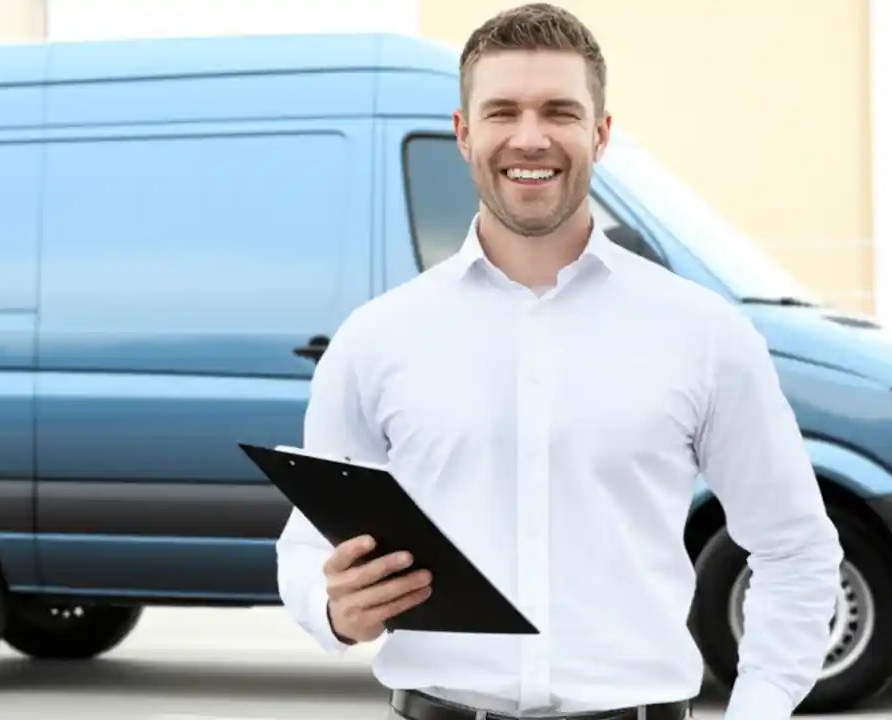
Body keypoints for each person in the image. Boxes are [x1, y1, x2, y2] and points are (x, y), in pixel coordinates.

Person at [273, 3, 845, 720]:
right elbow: (303, 547)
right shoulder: (377, 339)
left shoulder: (702, 333)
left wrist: (759, 707)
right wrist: (333, 609)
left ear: (600, 134)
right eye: (503, 111)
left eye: (560, 112)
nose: (530, 137)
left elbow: (795, 547)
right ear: (463, 133)